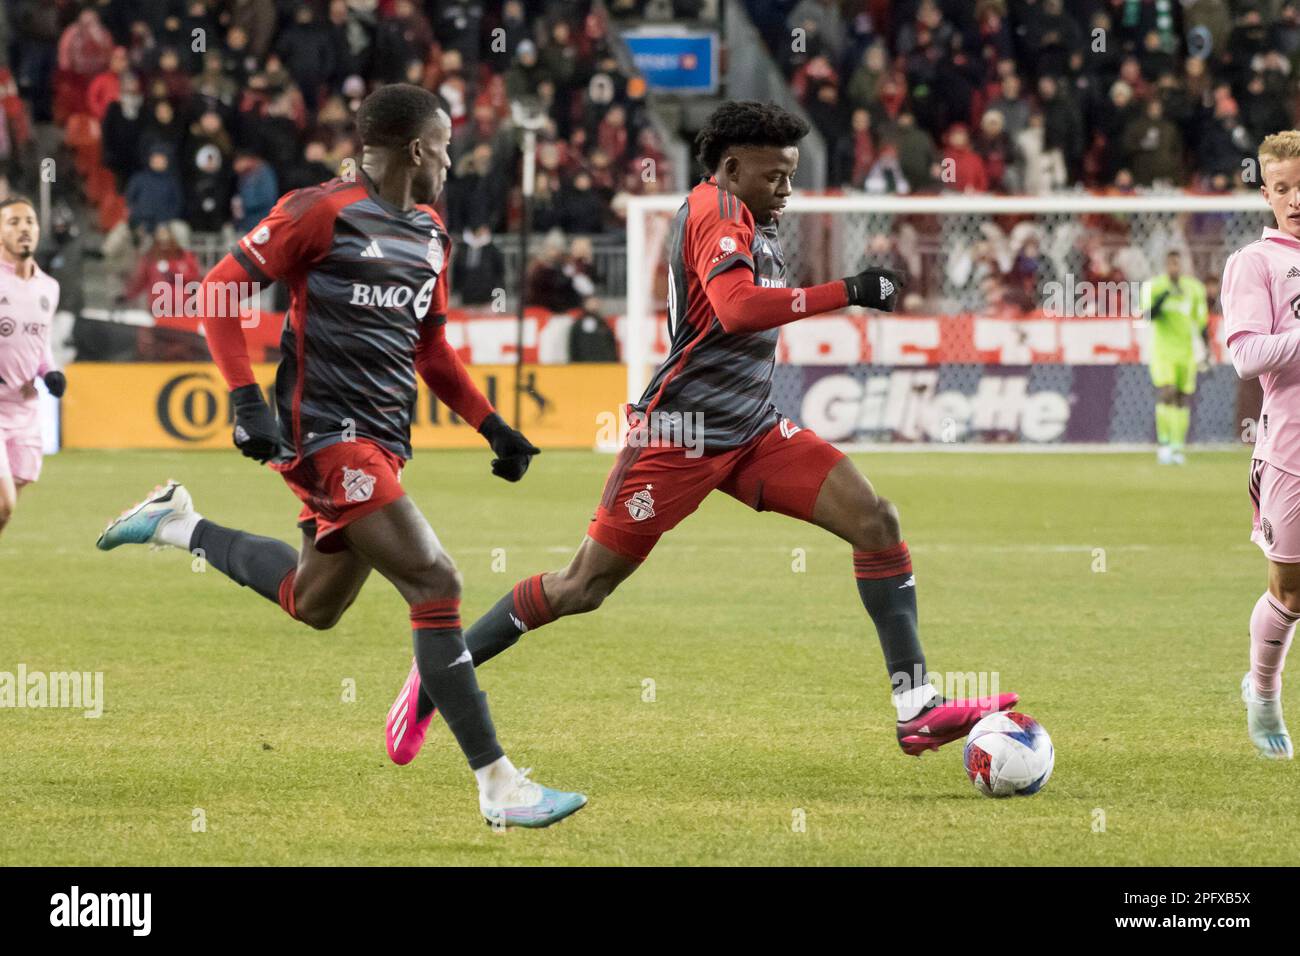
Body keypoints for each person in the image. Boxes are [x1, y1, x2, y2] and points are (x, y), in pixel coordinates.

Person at [384, 101, 1017, 779]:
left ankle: (916, 706)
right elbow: (737, 309)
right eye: (775, 176)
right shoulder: (716, 209)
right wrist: (849, 290)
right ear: (733, 168)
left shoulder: (754, 217)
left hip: (752, 430)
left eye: (791, 174)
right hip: (679, 438)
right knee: (582, 586)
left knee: (875, 520)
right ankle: (438, 671)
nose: (787, 188)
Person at [94, 85, 586, 827]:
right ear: (416, 148)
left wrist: (492, 426)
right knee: (436, 580)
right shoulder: (319, 211)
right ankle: (499, 785)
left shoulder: (431, 233)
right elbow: (219, 290)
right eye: (445, 147)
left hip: (382, 439)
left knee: (314, 602)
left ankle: (176, 523)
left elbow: (430, 348)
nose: (450, 162)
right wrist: (246, 401)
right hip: (325, 434)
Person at [1224, 129, 1300, 761]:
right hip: (1290, 452)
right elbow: (1246, 356)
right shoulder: (1256, 263)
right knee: (1291, 591)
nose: (1296, 198)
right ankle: (1265, 693)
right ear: (1267, 194)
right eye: (1283, 188)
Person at [0, 196, 64, 541]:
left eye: (30, 222)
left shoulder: (48, 288)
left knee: (7, 503)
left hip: (24, 409)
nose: (24, 229)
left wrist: (49, 372)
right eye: (13, 222)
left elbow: (41, 344)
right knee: (4, 503)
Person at [1144, 250, 1208, 465]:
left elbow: (1201, 322)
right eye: (1171, 264)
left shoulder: (1194, 289)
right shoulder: (1155, 287)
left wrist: (1207, 351)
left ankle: (1177, 447)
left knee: (1182, 399)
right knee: (1167, 393)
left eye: (1177, 264)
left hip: (1186, 353)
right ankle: (1163, 444)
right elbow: (1148, 315)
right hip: (1163, 353)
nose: (1174, 268)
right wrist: (1165, 296)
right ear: (1165, 266)